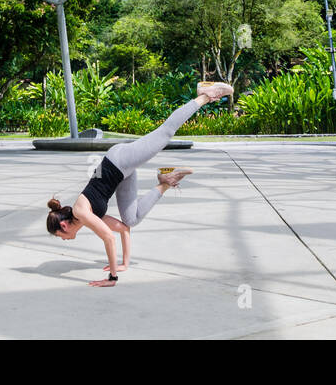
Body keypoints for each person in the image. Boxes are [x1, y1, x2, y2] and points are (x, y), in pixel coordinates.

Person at [45, 81, 233, 285]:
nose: (63, 239)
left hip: (118, 161)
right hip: (121, 174)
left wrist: (112, 277)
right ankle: (165, 181)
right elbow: (123, 229)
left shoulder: (81, 212)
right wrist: (124, 264)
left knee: (165, 133)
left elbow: (108, 238)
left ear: (63, 225)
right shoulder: (85, 217)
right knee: (131, 219)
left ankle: (204, 94)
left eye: (59, 235)